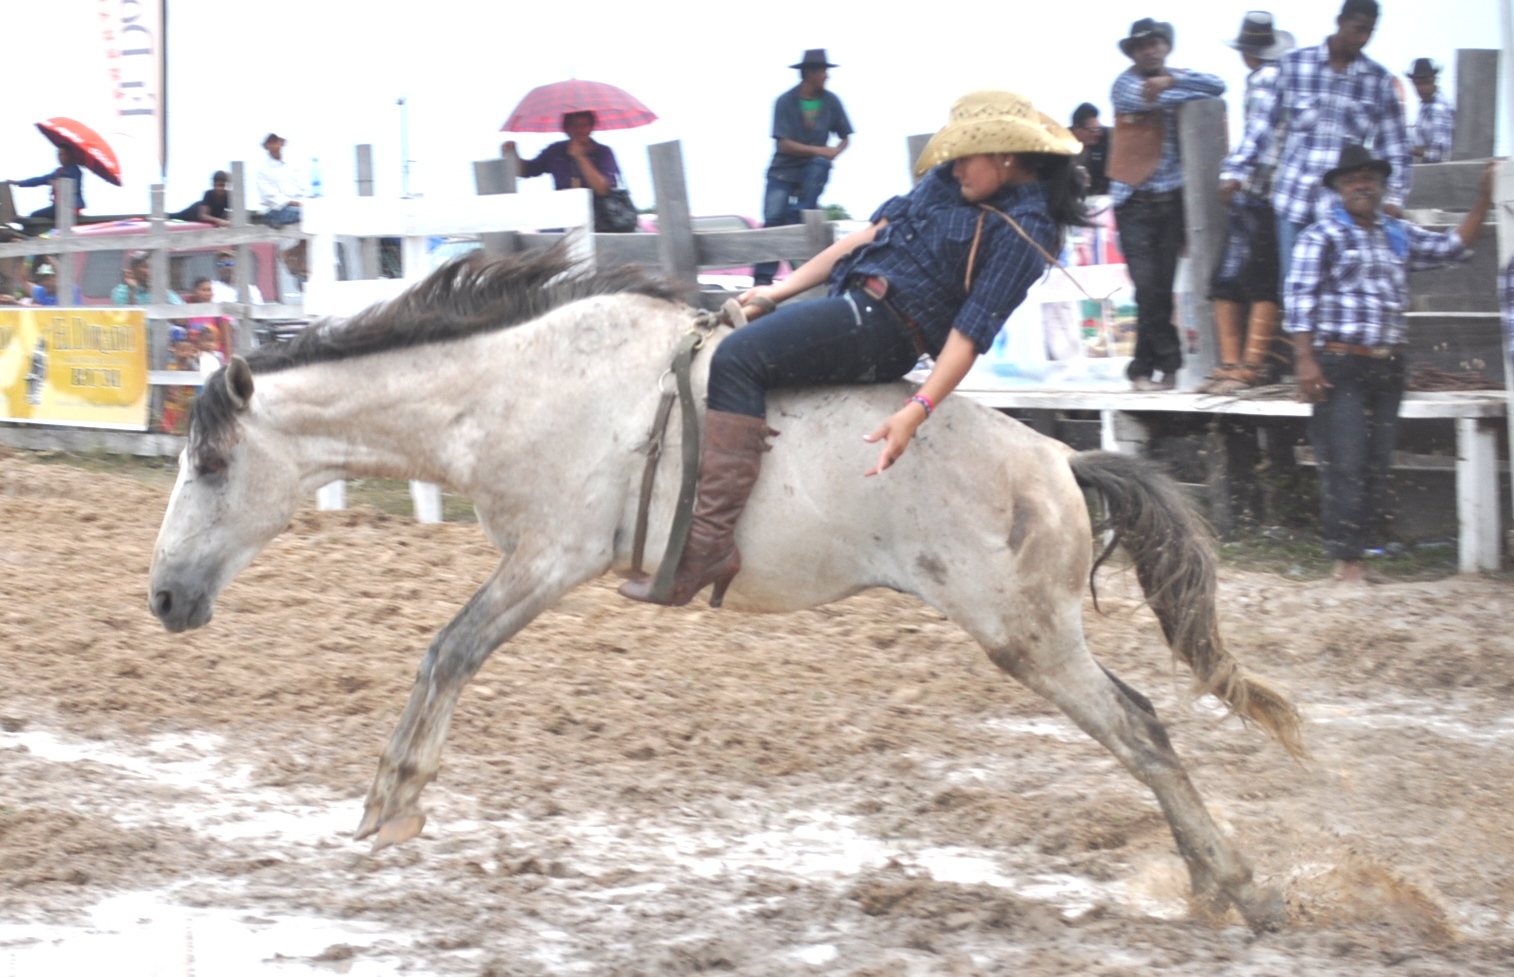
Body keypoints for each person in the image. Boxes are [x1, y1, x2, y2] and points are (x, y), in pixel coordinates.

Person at [619, 89, 1085, 607]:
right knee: (730, 347)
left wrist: (917, 408)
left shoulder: (1028, 231)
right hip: (854, 305)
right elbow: (867, 237)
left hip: (886, 329)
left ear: (1006, 153)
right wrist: (777, 292)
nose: (955, 168)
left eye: (966, 156)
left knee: (737, 359)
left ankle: (708, 545)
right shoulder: (949, 184)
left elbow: (970, 333)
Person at [1286, 146, 1491, 584]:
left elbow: (1452, 248)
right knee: (1345, 461)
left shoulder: (1396, 233)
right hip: (1339, 362)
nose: (1361, 186)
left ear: (1380, 186)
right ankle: (1346, 562)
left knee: (1377, 463)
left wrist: (1484, 199)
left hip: (1388, 363)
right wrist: (1304, 360)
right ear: (1339, 189)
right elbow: (1299, 300)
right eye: (1352, 180)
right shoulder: (1321, 236)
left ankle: (1362, 558)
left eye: (1368, 179)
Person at [1226, 0, 1410, 286]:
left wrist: (1394, 197)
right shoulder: (1294, 65)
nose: (1363, 38)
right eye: (1358, 29)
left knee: (1341, 288)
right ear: (1340, 22)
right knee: (1296, 287)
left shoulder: (1377, 81)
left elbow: (1394, 146)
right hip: (1294, 199)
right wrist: (1235, 171)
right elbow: (1262, 124)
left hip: (1343, 206)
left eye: (1369, 32)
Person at [1107, 18, 1227, 390]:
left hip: (1170, 200)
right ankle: (1167, 361)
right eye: (1142, 46)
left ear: (1166, 47)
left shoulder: (1175, 77)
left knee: (1160, 287)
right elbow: (1156, 98)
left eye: (1154, 44)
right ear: (1133, 53)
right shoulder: (1124, 84)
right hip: (1134, 202)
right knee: (1147, 287)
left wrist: (1172, 80)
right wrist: (1176, 86)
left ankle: (1147, 369)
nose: (1149, 51)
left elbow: (1217, 86)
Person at [1202, 11, 1295, 394]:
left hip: (1260, 190)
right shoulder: (1284, 77)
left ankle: (1241, 364)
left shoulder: (1264, 80)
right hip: (1277, 191)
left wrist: (1234, 172)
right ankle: (1246, 364)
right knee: (1257, 279)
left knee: (1238, 279)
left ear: (1246, 52)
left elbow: (1258, 135)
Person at [752, 49, 854, 287]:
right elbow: (784, 144)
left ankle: (805, 270)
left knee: (806, 208)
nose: (826, 76)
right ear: (809, 73)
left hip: (812, 168)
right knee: (773, 220)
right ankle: (763, 279)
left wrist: (835, 152)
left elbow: (846, 136)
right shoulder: (785, 102)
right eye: (822, 71)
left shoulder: (832, 102)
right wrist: (822, 150)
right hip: (783, 170)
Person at [9, 145, 86, 219]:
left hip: (70, 206)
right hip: (59, 206)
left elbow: (75, 187)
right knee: (35, 215)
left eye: (64, 154)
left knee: (34, 215)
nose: (61, 157)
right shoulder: (58, 172)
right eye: (59, 154)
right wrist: (19, 183)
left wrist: (58, 185)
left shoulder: (74, 170)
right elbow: (40, 180)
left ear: (70, 156)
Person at [1407, 59, 1454, 164]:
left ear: (1434, 80)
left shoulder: (1439, 109)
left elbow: (1441, 156)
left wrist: (1410, 149)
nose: (1422, 88)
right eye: (1418, 83)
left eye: (1426, 82)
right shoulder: (1425, 105)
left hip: (1439, 171)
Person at [256, 134, 306, 228]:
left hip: (296, 208)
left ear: (282, 143)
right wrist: (298, 204)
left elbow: (302, 188)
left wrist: (305, 203)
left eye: (276, 142)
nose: (274, 145)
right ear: (266, 146)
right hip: (275, 212)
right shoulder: (262, 169)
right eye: (271, 142)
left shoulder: (292, 166)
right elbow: (270, 197)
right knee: (307, 214)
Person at [111, 253, 185, 307]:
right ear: (133, 269)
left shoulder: (161, 291)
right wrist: (132, 290)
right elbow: (130, 317)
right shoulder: (121, 292)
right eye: (146, 267)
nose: (151, 271)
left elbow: (182, 319)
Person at [1070, 103, 1110, 196]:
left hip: (1100, 196)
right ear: (1076, 129)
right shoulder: (1061, 144)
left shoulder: (1106, 139)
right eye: (1092, 130)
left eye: (1099, 129)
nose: (1098, 134)